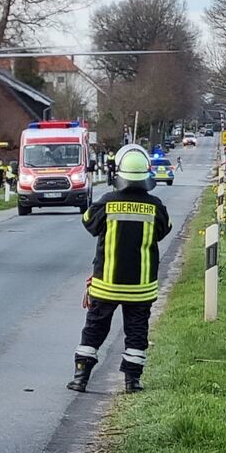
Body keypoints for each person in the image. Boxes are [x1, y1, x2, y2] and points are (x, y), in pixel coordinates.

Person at [67, 145, 172, 394]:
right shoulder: (156, 206)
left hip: (106, 285)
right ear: (148, 174)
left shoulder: (106, 203)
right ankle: (132, 382)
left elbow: (88, 223)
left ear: (119, 173)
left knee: (94, 329)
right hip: (141, 288)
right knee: (137, 333)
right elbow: (163, 230)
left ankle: (80, 378)